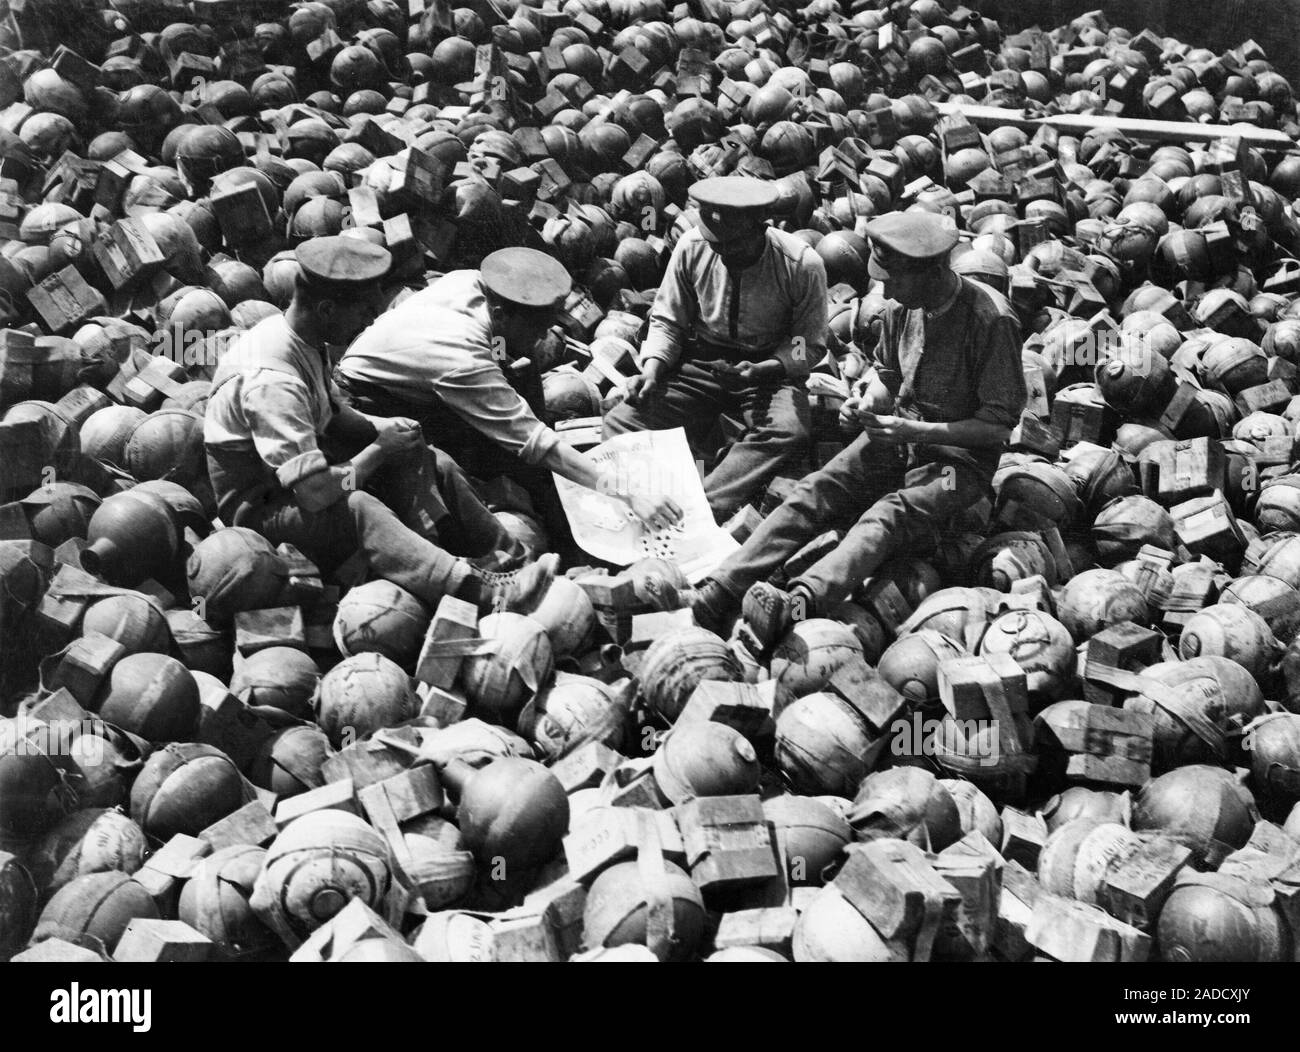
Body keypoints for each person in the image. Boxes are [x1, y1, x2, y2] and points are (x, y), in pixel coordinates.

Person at [690, 211, 1028, 646]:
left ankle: (800, 602)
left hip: (957, 464)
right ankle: (722, 586)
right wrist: (866, 402)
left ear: (931, 271)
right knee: (817, 488)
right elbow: (888, 376)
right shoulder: (901, 306)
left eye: (894, 280)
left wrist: (914, 431)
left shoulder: (991, 320)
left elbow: (996, 429)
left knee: (889, 514)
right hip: (897, 433)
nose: (886, 290)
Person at [204, 235, 556, 614]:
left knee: (436, 461)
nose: (371, 319)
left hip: (298, 476)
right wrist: (379, 450)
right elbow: (315, 495)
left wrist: (385, 429)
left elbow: (333, 413)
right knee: (359, 507)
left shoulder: (303, 336)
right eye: (364, 310)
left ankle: (512, 560)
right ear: (326, 309)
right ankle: (482, 592)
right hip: (263, 506)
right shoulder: (272, 382)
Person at [335, 246, 682, 544]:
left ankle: (531, 483)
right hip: (369, 403)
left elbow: (501, 353)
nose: (545, 336)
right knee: (454, 472)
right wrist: (630, 493)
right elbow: (537, 443)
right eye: (538, 327)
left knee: (523, 374)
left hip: (409, 378)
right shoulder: (463, 360)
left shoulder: (471, 281)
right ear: (500, 314)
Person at [602, 176, 828, 522]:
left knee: (788, 430)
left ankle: (699, 509)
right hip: (702, 362)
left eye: (733, 244)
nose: (722, 252)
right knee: (622, 420)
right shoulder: (693, 246)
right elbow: (668, 319)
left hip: (769, 371)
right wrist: (651, 370)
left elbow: (806, 345)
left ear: (760, 226)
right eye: (715, 242)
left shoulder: (800, 265)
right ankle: (647, 497)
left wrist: (767, 368)